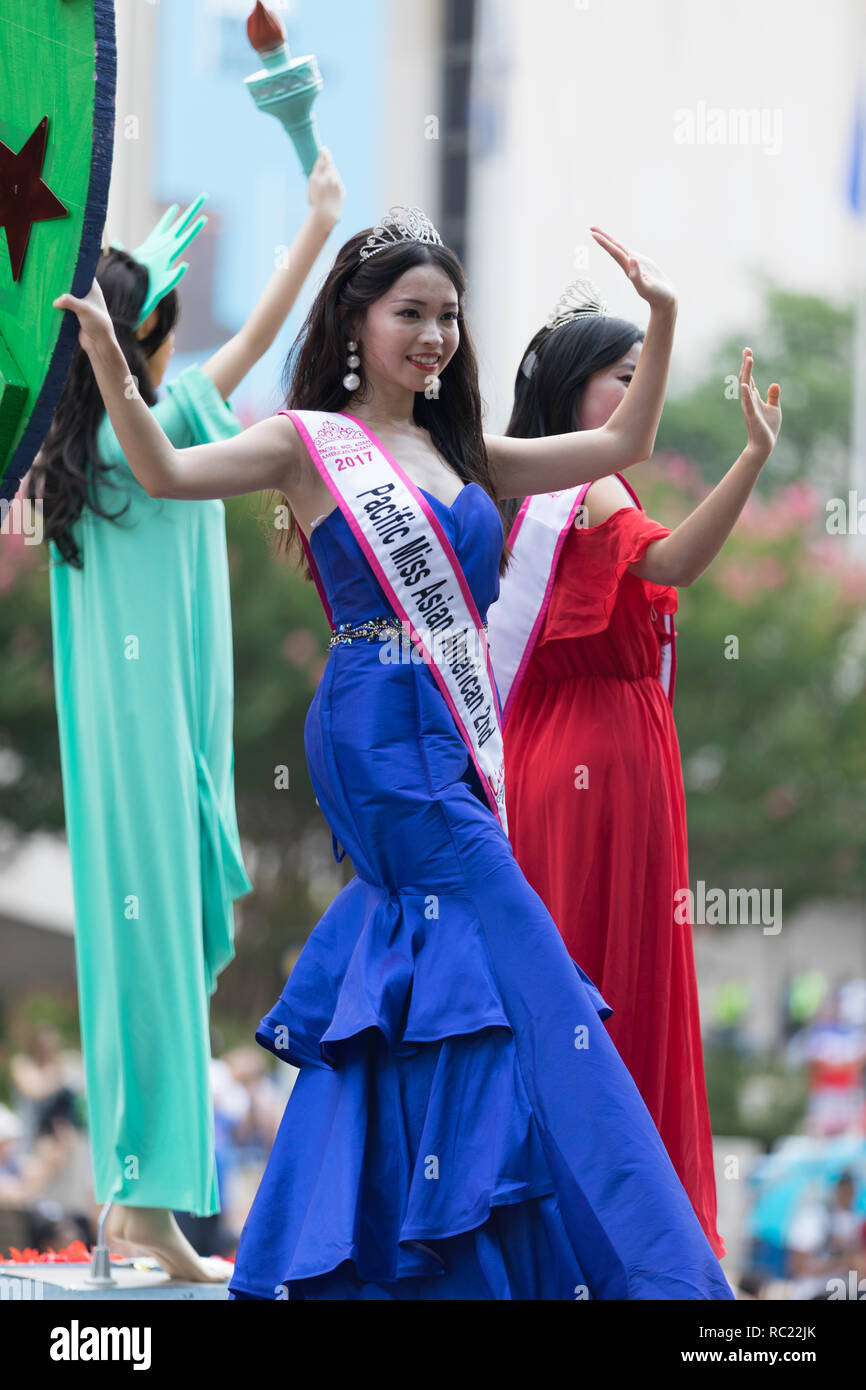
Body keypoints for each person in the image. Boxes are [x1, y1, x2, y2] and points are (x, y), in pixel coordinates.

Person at [51, 207, 733, 1299]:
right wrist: (110, 368)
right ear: (355, 322)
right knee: (524, 966)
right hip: (378, 728)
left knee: (427, 983)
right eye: (409, 312)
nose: (433, 336)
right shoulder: (307, 443)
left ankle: (387, 1257)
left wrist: (658, 322)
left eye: (448, 316)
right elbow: (169, 473)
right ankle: (648, 1272)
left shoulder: (461, 449)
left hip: (451, 734)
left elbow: (621, 447)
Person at [26, 150, 346, 1282]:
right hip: (141, 752)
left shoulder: (162, 423)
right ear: (132, 335)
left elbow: (255, 335)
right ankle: (144, 1209)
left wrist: (315, 227)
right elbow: (156, 386)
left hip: (170, 748)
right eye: (158, 317)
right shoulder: (113, 449)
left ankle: (143, 1209)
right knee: (148, 960)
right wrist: (111, 350)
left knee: (158, 962)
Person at [486, 281, 782, 1260]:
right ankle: (626, 1242)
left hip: (561, 748)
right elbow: (674, 566)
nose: (637, 391)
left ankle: (557, 1238)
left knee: (568, 984)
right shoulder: (594, 491)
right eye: (622, 376)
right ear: (577, 391)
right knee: (611, 979)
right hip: (599, 763)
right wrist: (749, 460)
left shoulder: (526, 496)